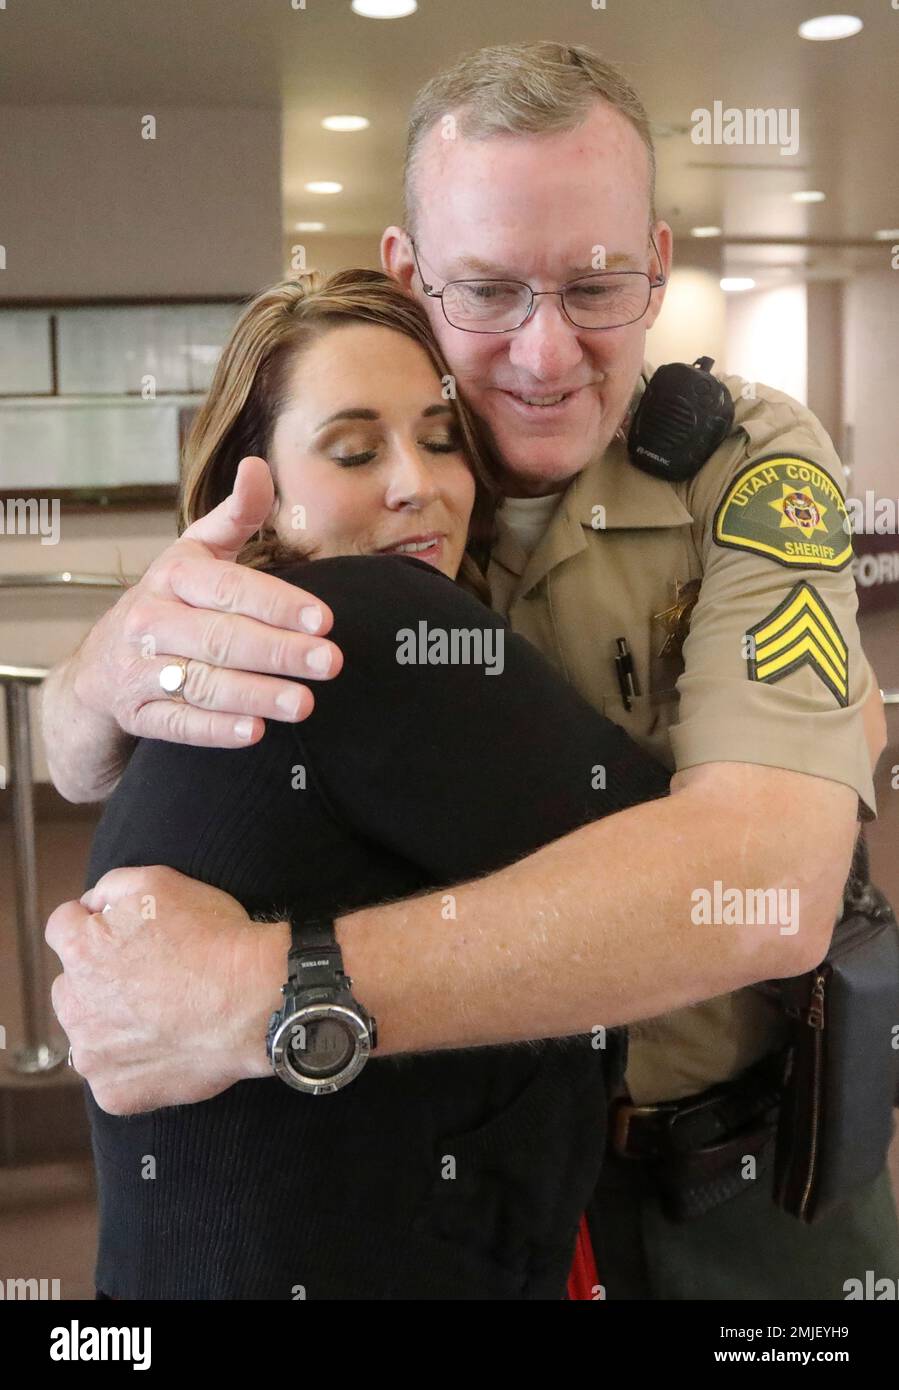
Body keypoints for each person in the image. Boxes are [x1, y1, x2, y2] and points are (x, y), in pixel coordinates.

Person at [44, 41, 897, 1300]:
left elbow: (766, 890)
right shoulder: (363, 497)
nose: (544, 355)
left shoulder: (746, 466)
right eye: (488, 291)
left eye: (595, 286)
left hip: (730, 1177)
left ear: (655, 267)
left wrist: (265, 991)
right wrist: (94, 673)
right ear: (409, 275)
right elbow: (81, 756)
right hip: (472, 1184)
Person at [75, 268, 671, 1300]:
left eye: (441, 439)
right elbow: (704, 864)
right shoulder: (364, 622)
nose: (417, 483)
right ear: (249, 484)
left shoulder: (251, 635)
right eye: (352, 451)